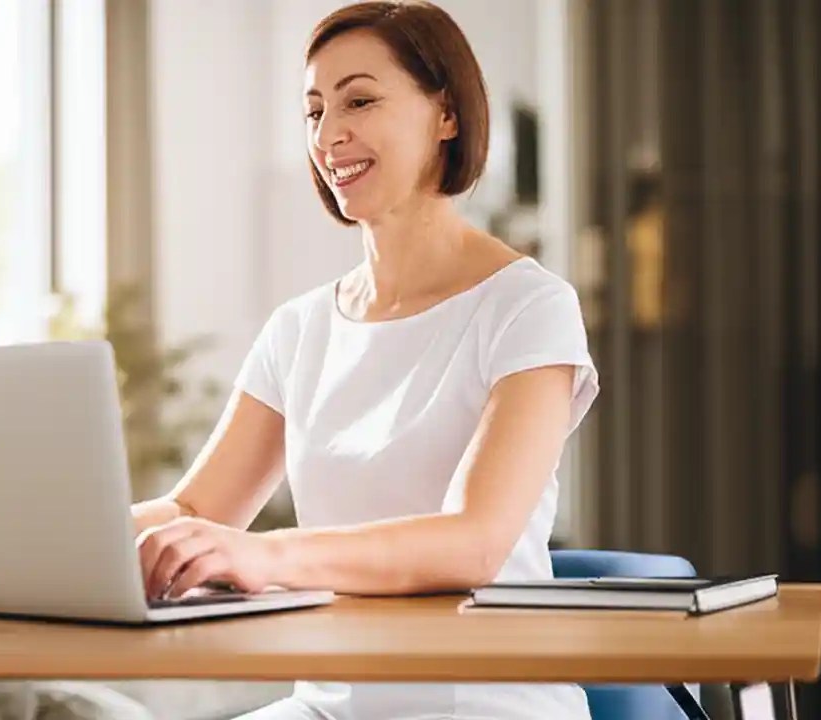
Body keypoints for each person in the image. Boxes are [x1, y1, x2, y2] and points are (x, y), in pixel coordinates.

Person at [130, 2, 598, 717]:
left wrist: (266, 556)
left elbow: (471, 543)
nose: (329, 133)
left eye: (360, 100)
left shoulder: (529, 308)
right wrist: (43, 546)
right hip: (332, 704)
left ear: (446, 113)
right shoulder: (300, 329)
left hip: (487, 706)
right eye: (314, 111)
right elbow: (196, 509)